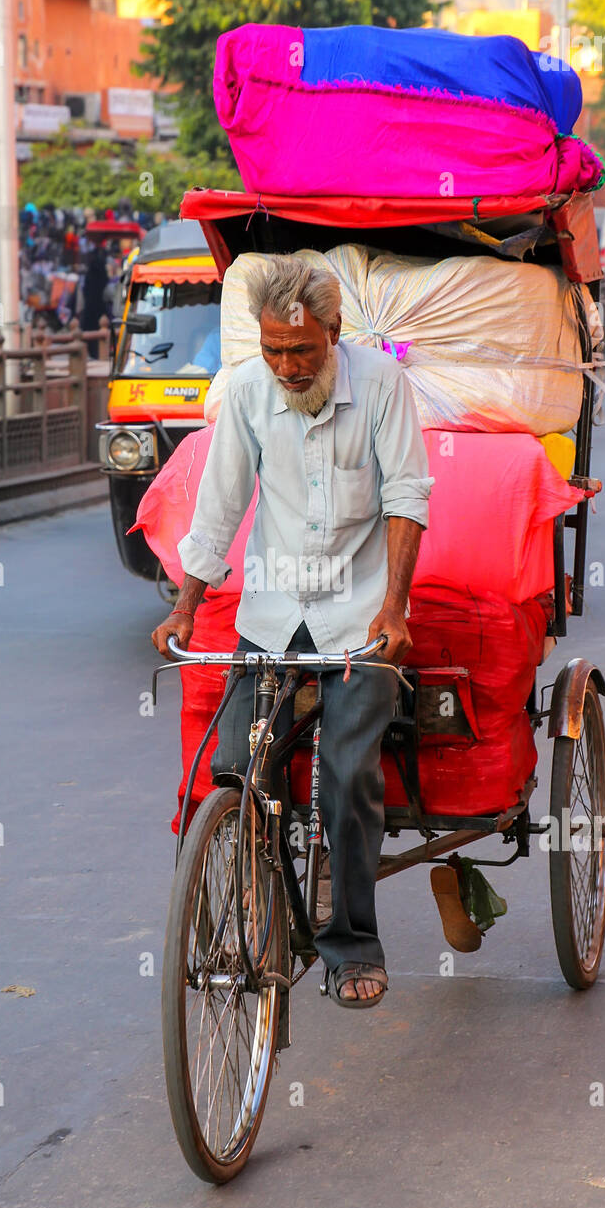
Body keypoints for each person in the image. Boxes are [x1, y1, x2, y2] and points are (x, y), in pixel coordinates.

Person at [152, 254, 433, 1009]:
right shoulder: (247, 391)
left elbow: (408, 493)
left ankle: (350, 943)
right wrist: (184, 606)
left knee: (345, 773)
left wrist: (394, 609)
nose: (285, 364)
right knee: (239, 769)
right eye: (273, 348)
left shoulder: (381, 386)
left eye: (300, 351)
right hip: (271, 615)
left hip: (359, 617)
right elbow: (217, 509)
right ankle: (266, 903)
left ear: (334, 334)